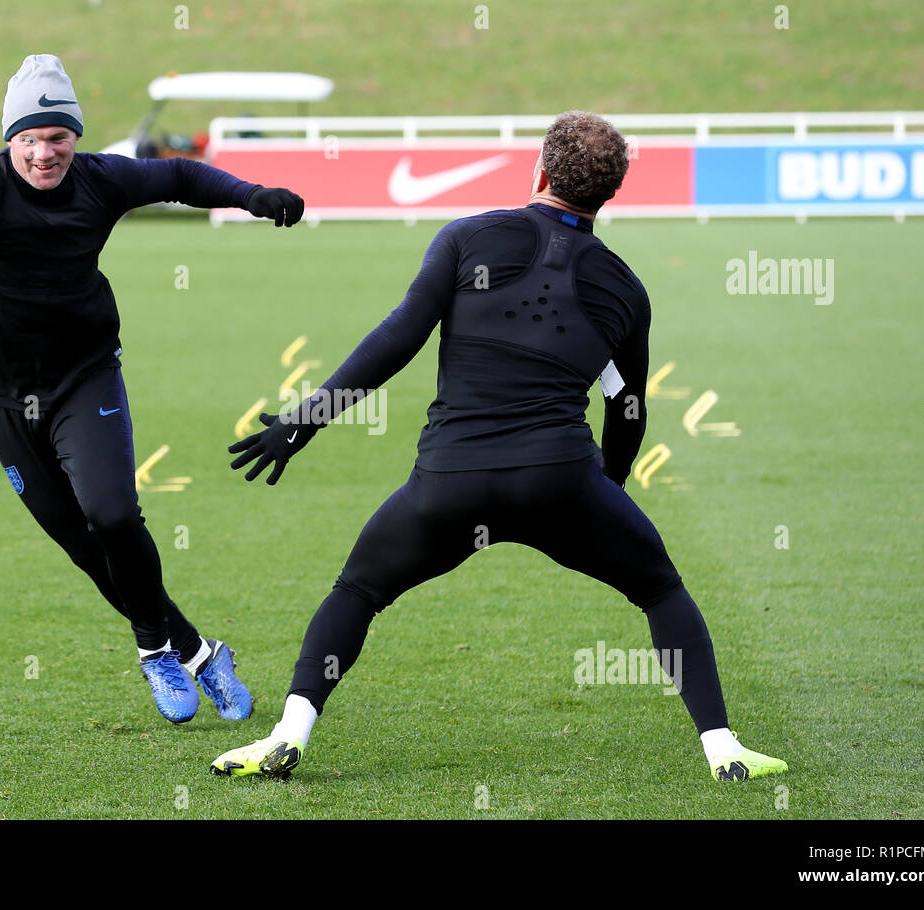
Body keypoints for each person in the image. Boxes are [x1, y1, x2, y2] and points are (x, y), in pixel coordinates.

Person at [211, 111, 787, 783]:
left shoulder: (468, 238)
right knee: (660, 589)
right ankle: (723, 749)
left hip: (449, 480)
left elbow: (397, 340)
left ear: (539, 170)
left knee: (358, 591)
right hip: (561, 481)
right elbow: (626, 404)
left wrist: (302, 423)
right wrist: (608, 489)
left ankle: (290, 734)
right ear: (607, 196)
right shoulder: (626, 288)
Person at [0, 55, 305, 725]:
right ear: (10, 138)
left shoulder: (100, 180)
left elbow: (181, 174)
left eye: (58, 137)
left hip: (83, 375)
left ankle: (155, 650)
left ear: (75, 135)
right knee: (79, 541)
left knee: (112, 515)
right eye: (30, 139)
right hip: (0, 394)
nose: (44, 153)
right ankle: (197, 651)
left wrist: (251, 195)